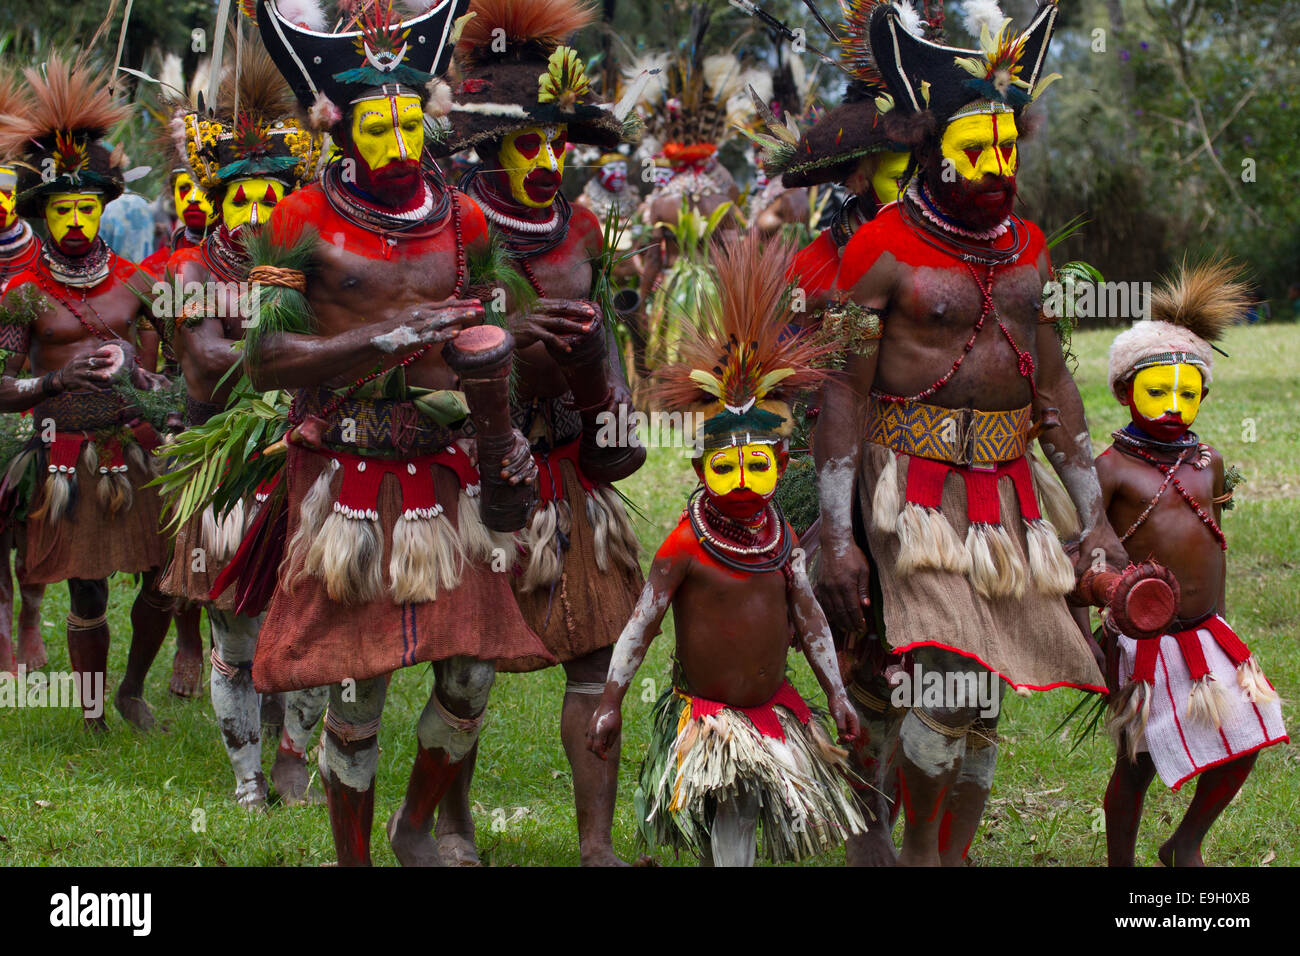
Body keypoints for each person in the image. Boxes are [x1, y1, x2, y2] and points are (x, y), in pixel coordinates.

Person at [815, 0, 1125, 865]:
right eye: (974, 150)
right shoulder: (878, 245)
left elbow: (1054, 380)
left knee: (983, 699)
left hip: (1009, 496)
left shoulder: (1028, 247)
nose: (998, 166)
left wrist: (1092, 514)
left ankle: (947, 856)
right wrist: (837, 533)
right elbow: (841, 389)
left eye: (1007, 148)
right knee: (945, 683)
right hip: (909, 487)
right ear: (930, 151)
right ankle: (915, 853)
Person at [249, 0, 553, 865]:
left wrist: (509, 432)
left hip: (447, 471)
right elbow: (265, 357)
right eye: (375, 130)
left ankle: (416, 825)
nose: (397, 145)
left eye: (409, 124)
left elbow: (492, 337)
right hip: (348, 477)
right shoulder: (300, 217)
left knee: (471, 676)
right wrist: (367, 342)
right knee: (359, 687)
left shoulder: (465, 221)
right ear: (340, 130)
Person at [433, 0, 645, 867]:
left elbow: (610, 336)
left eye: (560, 144)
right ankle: (450, 828)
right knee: (467, 670)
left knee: (595, 659)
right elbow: (431, 352)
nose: (551, 161)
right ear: (488, 147)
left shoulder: (586, 230)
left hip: (570, 471)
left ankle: (595, 845)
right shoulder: (456, 230)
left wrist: (614, 401)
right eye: (531, 144)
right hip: (482, 474)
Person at [588, 231, 865, 866]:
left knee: (746, 820)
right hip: (709, 717)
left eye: (758, 465)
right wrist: (609, 702)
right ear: (696, 466)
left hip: (770, 710)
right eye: (726, 466)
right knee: (731, 820)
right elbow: (642, 623)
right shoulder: (685, 545)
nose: (742, 480)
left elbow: (809, 616)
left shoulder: (780, 539)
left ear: (784, 462)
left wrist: (837, 695)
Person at [159, 39, 328, 807]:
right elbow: (203, 363)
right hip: (229, 471)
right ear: (219, 204)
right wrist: (299, 354)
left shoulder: (314, 264)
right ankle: (247, 780)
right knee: (237, 634)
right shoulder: (193, 273)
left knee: (317, 621)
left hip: (306, 459)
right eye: (241, 201)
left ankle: (296, 754)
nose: (257, 215)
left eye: (270, 200)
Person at [0, 53, 176, 732]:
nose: (76, 221)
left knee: (165, 580)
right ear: (44, 215)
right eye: (63, 210)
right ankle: (94, 709)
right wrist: (51, 380)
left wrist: (148, 376)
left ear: (104, 208)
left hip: (136, 447)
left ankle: (133, 688)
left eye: (87, 208)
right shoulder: (20, 295)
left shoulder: (139, 281)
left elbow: (181, 367)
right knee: (89, 587)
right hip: (66, 457)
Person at [1097, 260, 1287, 866]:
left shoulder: (1209, 461)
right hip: (1145, 639)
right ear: (1126, 391)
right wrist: (1102, 642)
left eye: (1189, 391)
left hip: (1208, 636)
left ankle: (1185, 844)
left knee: (1251, 733)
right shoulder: (1111, 468)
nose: (1175, 404)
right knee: (1140, 763)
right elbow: (1086, 555)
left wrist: (1223, 621)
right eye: (1158, 391)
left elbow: (1218, 543)